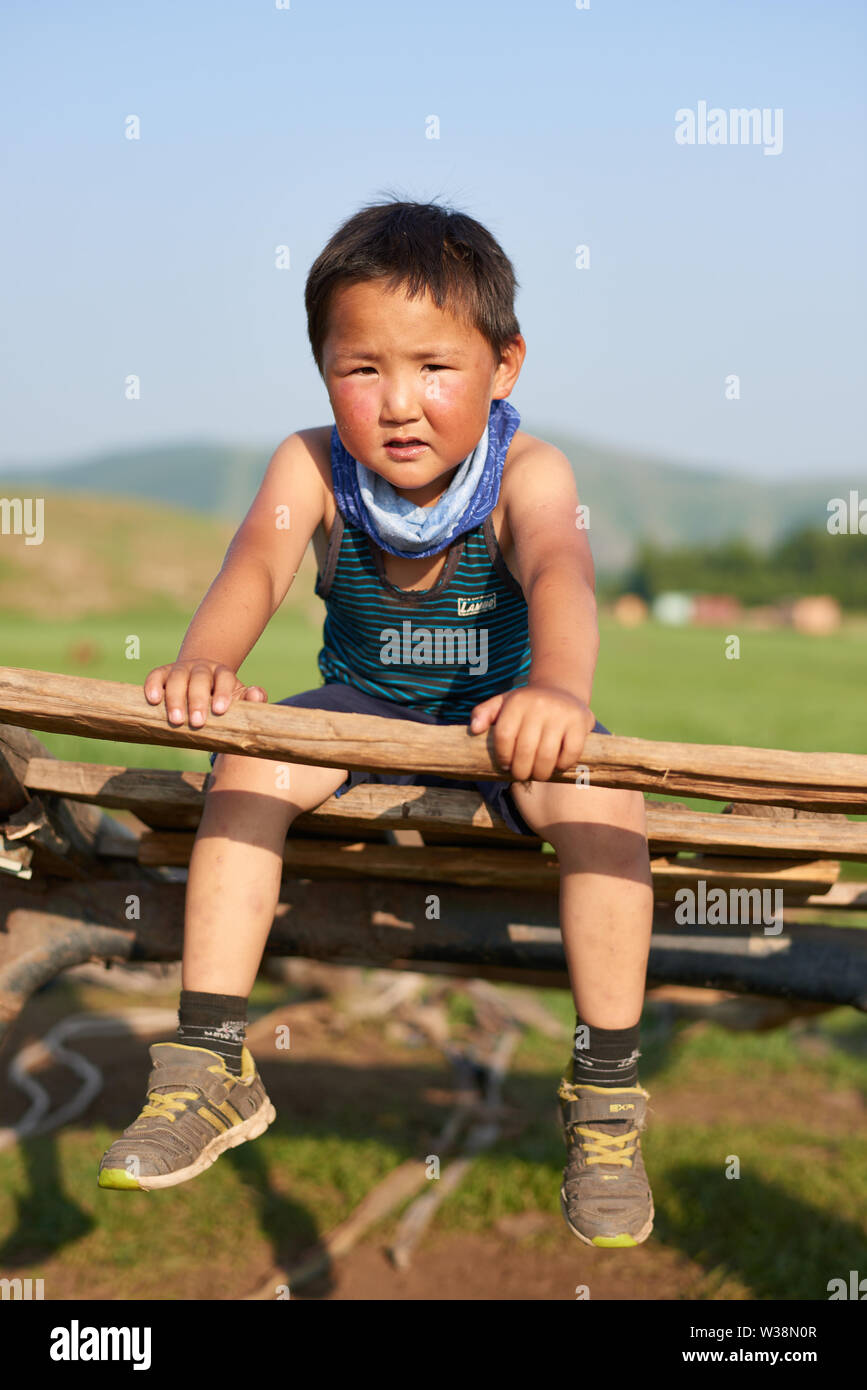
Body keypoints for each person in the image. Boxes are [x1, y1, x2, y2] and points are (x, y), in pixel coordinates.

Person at [97, 198, 655, 1249]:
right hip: (359, 712)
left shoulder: (529, 474)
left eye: (435, 367)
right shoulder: (310, 465)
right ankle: (208, 1063)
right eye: (363, 370)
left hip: (505, 717)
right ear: (323, 371)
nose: (400, 403)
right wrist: (206, 667)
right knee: (244, 768)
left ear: (506, 365)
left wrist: (561, 695)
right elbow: (256, 567)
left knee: (605, 799)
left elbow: (562, 572)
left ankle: (608, 1105)